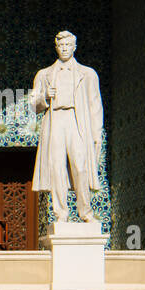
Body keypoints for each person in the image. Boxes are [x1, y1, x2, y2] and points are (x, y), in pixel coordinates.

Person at [30, 30, 102, 224]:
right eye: (61, 46)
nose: (64, 49)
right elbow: (33, 104)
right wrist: (45, 95)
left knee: (80, 165)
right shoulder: (44, 74)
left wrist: (97, 132)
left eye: (68, 45)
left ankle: (85, 211)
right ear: (56, 48)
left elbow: (95, 105)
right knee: (56, 167)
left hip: (76, 120)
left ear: (74, 47)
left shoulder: (87, 74)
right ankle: (61, 213)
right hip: (55, 121)